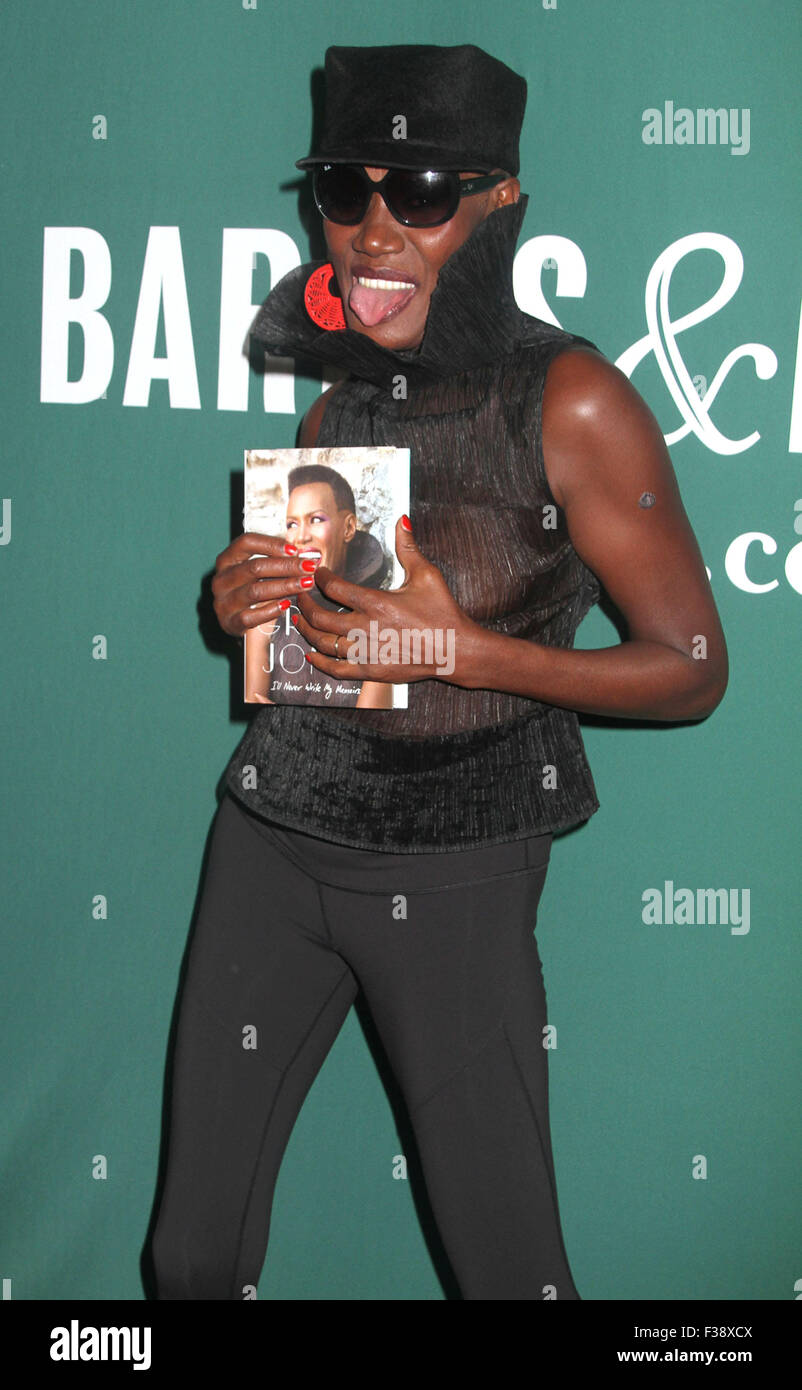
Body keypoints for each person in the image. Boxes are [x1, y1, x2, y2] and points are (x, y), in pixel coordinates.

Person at [150, 43, 728, 1301]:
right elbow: (313, 640)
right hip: (271, 838)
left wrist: (467, 652)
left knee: (507, 1271)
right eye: (342, 189)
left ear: (497, 203)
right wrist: (239, 605)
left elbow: (691, 669)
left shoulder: (572, 401)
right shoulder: (333, 406)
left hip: (459, 865)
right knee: (188, 1261)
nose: (371, 231)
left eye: (417, 193)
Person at [245, 462, 392, 708]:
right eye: (292, 524)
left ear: (348, 528)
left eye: (315, 519)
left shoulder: (379, 618)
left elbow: (370, 717)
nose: (301, 536)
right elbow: (254, 701)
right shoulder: (268, 609)